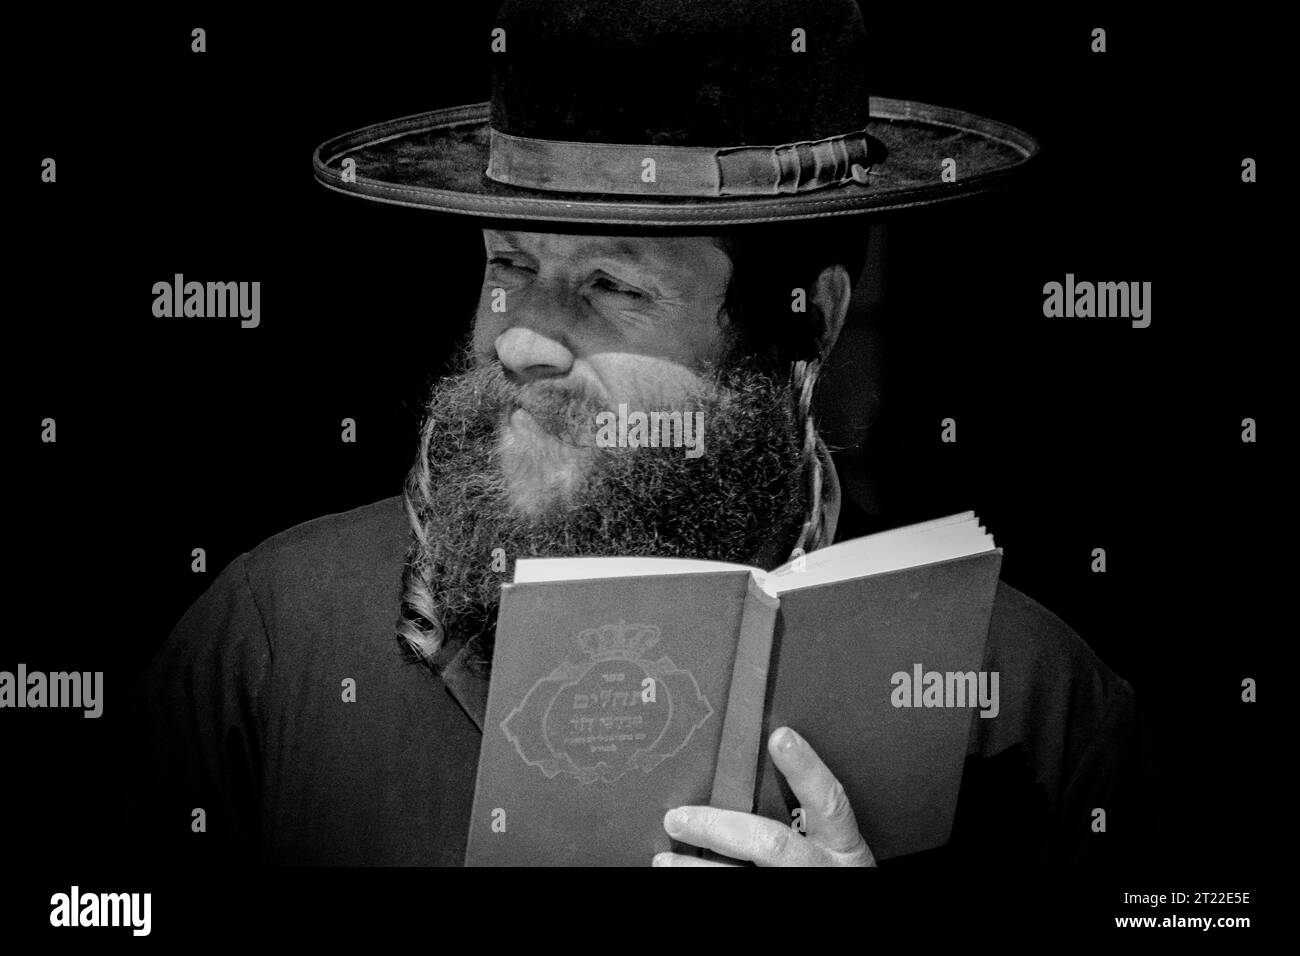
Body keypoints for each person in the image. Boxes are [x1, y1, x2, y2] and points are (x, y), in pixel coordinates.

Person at [135, 0, 1138, 867]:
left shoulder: (1016, 697)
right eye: (510, 264)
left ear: (810, 322)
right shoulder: (273, 643)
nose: (522, 339)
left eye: (612, 286)